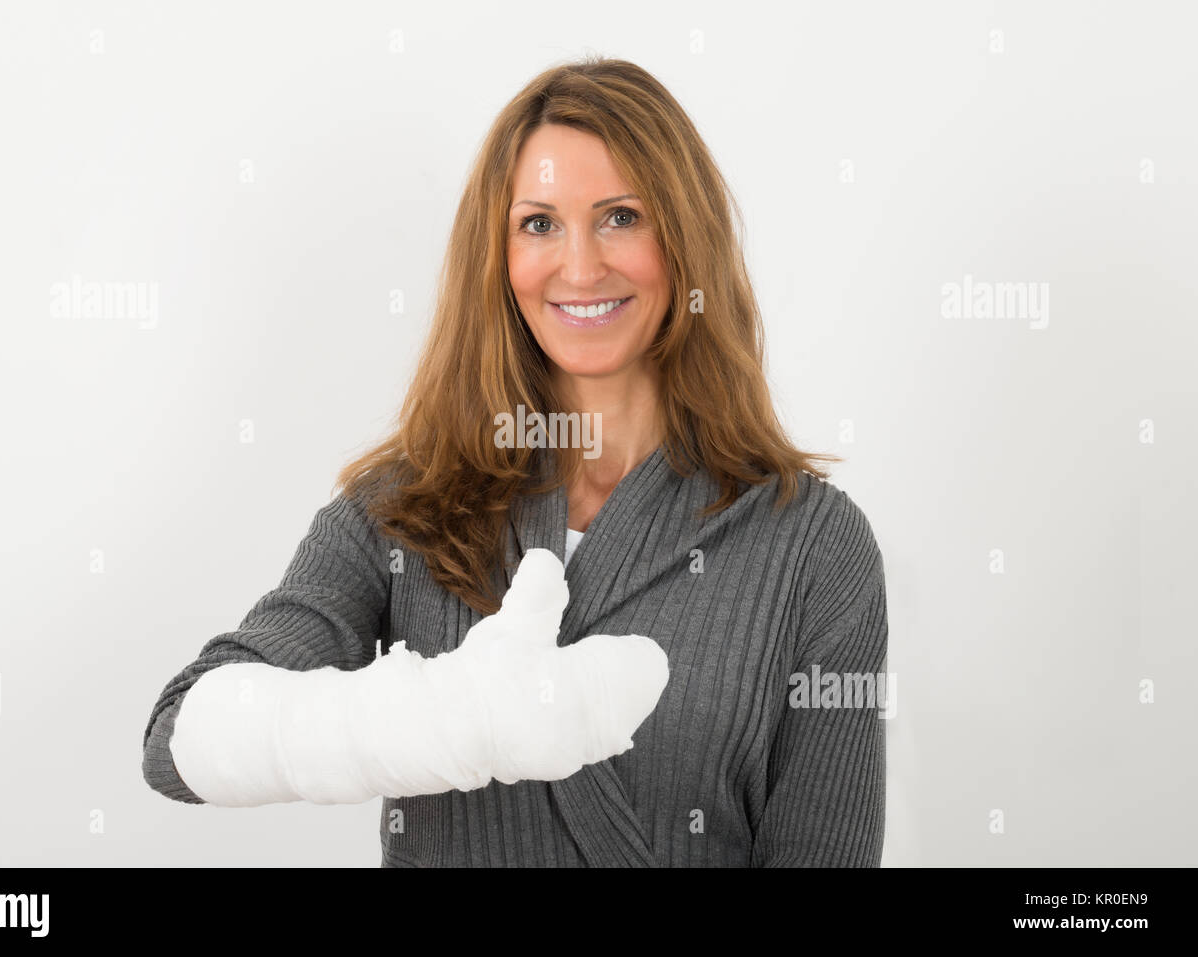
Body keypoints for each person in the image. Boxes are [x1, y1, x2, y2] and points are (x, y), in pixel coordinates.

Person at [142, 55, 888, 867]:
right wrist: (451, 719)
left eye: (621, 217)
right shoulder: (401, 508)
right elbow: (179, 736)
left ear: (685, 241)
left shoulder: (814, 546)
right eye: (539, 223)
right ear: (497, 256)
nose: (580, 266)